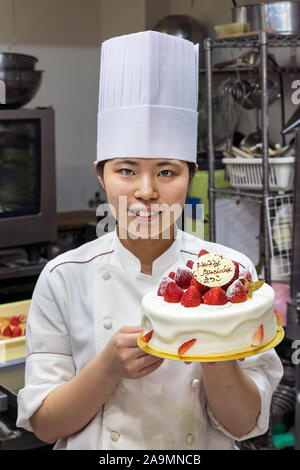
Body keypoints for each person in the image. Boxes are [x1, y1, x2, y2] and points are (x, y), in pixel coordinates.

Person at [17, 31, 283, 450]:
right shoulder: (63, 277)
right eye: (126, 170)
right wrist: (107, 367)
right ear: (100, 175)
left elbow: (245, 425)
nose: (146, 191)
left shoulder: (233, 275)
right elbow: (46, 427)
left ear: (190, 177)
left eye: (166, 172)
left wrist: (215, 342)